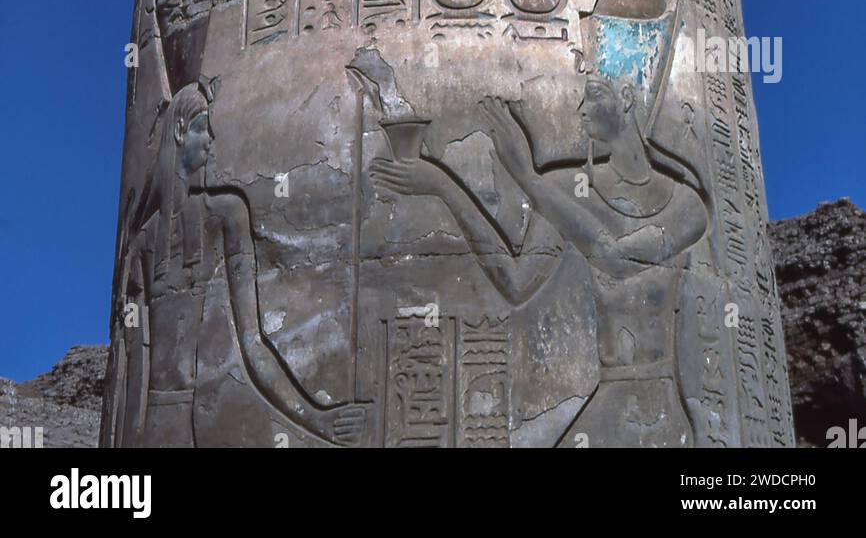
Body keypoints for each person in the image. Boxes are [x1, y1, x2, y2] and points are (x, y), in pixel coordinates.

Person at [371, 78, 707, 447]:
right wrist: (446, 188)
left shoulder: (686, 205)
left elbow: (617, 259)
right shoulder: (562, 187)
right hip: (612, 401)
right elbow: (516, 283)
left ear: (627, 98)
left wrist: (527, 178)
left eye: (592, 96)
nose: (580, 110)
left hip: (656, 413)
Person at [117, 84, 366, 448]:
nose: (212, 138)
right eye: (203, 127)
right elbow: (134, 368)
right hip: (158, 424)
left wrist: (316, 419)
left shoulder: (226, 215)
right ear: (179, 131)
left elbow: (254, 345)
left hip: (209, 416)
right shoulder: (143, 244)